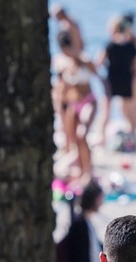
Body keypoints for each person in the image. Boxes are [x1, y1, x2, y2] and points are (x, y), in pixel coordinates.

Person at [53, 30, 103, 184]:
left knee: (82, 135)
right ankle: (81, 171)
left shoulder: (84, 60)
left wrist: (108, 97)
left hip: (88, 101)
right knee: (72, 138)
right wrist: (59, 106)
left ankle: (88, 172)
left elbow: (101, 78)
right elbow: (60, 87)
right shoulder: (60, 62)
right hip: (71, 105)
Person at [95, 13, 136, 151]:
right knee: (130, 109)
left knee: (109, 110)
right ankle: (133, 136)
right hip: (126, 80)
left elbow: (97, 64)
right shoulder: (132, 45)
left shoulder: (109, 46)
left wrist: (101, 78)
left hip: (112, 81)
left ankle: (102, 138)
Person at [65, 181, 106, 262]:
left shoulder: (86, 221)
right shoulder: (80, 224)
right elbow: (79, 259)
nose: (101, 202)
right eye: (99, 199)